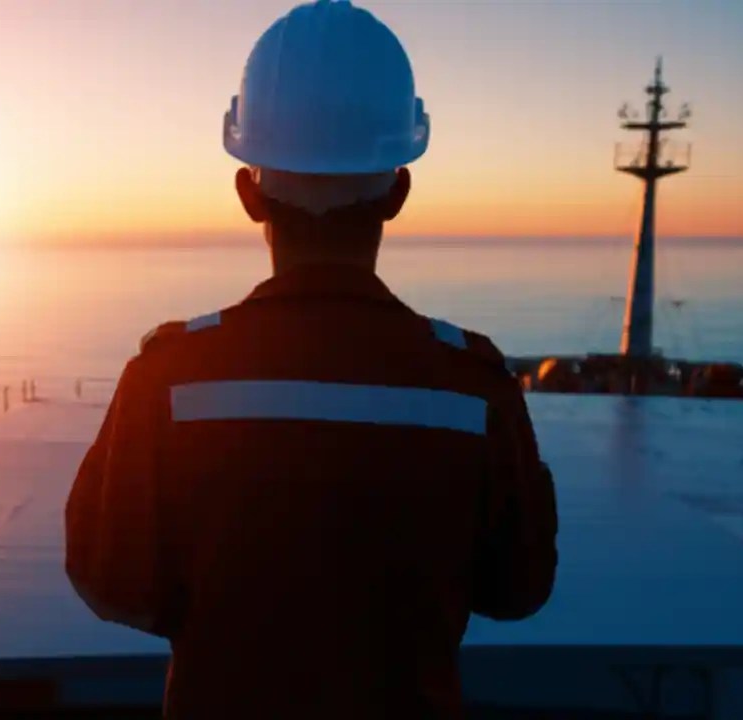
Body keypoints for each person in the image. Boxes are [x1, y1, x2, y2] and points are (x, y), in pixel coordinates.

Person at [65, 1, 558, 717]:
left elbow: (110, 583)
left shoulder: (167, 382)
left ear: (248, 194)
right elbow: (520, 589)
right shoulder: (474, 390)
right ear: (397, 192)